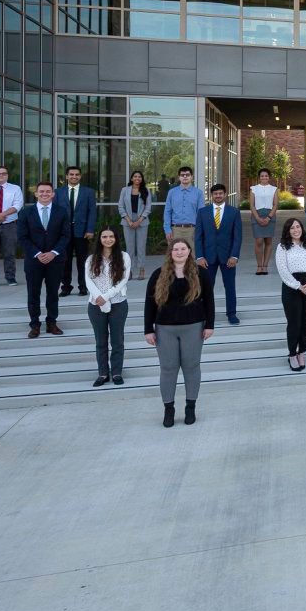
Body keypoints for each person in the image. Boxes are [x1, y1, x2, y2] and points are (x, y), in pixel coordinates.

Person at [144, 238, 212, 426]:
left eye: (183, 249)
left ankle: (190, 407)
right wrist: (148, 329)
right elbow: (149, 304)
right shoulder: (159, 274)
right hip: (165, 328)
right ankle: (169, 409)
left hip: (194, 326)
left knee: (191, 367)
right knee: (168, 368)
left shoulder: (201, 274)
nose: (179, 252)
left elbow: (209, 301)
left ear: (189, 251)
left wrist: (209, 325)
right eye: (176, 249)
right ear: (170, 252)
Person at [18, 180, 71, 339]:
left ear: (53, 194)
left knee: (53, 293)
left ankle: (51, 322)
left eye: (48, 191)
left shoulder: (61, 212)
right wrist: (37, 253)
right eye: (41, 191)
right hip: (34, 260)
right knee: (33, 293)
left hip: (55, 260)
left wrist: (53, 252)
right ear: (36, 193)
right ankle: (35, 324)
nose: (45, 194)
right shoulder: (26, 212)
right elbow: (22, 237)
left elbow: (65, 235)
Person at [82, 226, 130, 386]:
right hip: (95, 305)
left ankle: (116, 372)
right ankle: (103, 373)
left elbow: (123, 280)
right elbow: (88, 280)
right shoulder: (91, 259)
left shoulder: (124, 257)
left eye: (111, 236)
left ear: (116, 238)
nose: (108, 239)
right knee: (100, 341)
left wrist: (106, 297)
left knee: (117, 340)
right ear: (100, 239)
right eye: (104, 237)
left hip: (118, 304)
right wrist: (98, 297)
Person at [275, 217, 306, 371]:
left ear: (302, 228)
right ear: (288, 231)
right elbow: (283, 270)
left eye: (298, 227)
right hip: (292, 287)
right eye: (292, 228)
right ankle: (292, 354)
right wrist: (298, 286)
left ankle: (302, 351)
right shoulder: (282, 247)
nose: (296, 230)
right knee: (294, 323)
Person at [61, 166, 98, 296]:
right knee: (65, 261)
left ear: (80, 176)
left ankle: (83, 286)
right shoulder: (58, 192)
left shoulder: (88, 192)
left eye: (77, 174)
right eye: (71, 174)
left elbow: (92, 212)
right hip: (63, 233)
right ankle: (66, 287)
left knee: (83, 261)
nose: (74, 177)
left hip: (82, 232)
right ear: (66, 176)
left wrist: (90, 229)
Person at [119, 171, 154, 266]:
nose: (137, 178)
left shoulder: (146, 190)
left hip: (142, 221)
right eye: (135, 176)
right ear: (131, 178)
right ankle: (128, 271)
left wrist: (139, 220)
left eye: (139, 177)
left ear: (142, 179)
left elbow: (148, 207)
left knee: (141, 247)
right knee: (129, 247)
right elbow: (121, 207)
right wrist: (129, 220)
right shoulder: (124, 190)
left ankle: (141, 269)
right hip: (127, 221)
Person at [162, 165, 202, 247]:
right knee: (175, 257)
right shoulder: (172, 192)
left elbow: (201, 214)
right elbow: (167, 212)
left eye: (187, 175)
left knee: (192, 257)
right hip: (175, 230)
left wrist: (198, 231)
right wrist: (167, 230)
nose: (185, 177)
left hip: (192, 230)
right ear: (179, 177)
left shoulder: (198, 193)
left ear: (191, 177)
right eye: (182, 175)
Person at [249, 168, 278, 277]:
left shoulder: (274, 189)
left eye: (266, 176)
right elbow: (252, 205)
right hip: (257, 215)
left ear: (269, 177)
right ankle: (259, 265)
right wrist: (257, 218)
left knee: (268, 241)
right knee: (259, 241)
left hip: (270, 216)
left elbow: (275, 205)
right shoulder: (253, 189)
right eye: (262, 176)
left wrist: (269, 217)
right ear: (259, 177)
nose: (264, 178)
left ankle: (265, 266)